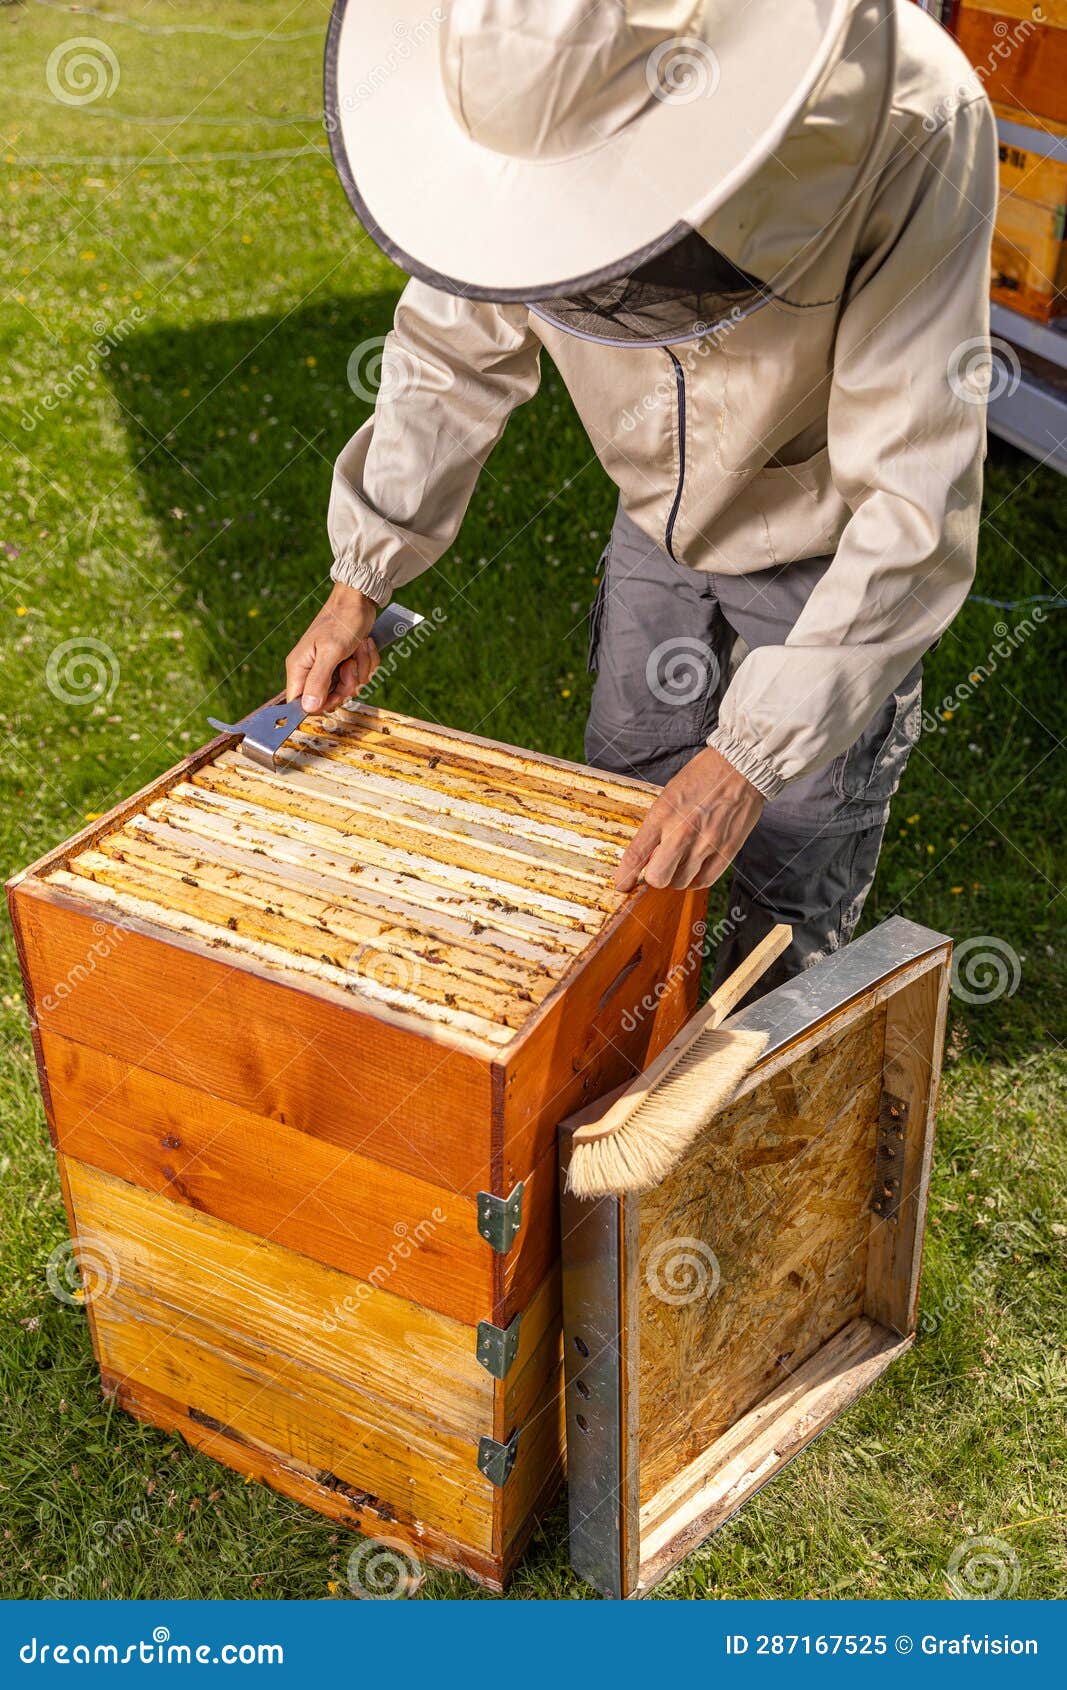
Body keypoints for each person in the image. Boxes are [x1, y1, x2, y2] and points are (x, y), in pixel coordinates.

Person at [286, 0, 996, 992]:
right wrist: (359, 577)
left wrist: (750, 754)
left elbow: (911, 507)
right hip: (651, 539)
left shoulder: (909, 116)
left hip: (828, 562)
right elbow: (449, 356)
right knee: (622, 849)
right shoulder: (501, 95)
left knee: (771, 927)